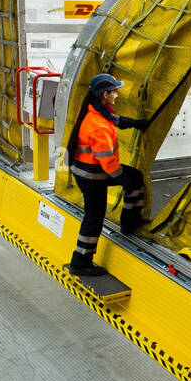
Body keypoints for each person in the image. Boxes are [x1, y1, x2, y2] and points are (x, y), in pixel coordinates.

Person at [66, 73, 150, 277]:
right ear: (105, 94)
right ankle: (81, 262)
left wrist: (135, 123)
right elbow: (109, 164)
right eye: (115, 92)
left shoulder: (91, 109)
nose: (117, 95)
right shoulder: (98, 127)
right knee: (94, 218)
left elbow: (112, 118)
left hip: (83, 170)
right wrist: (123, 180)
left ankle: (130, 222)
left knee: (136, 178)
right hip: (93, 176)